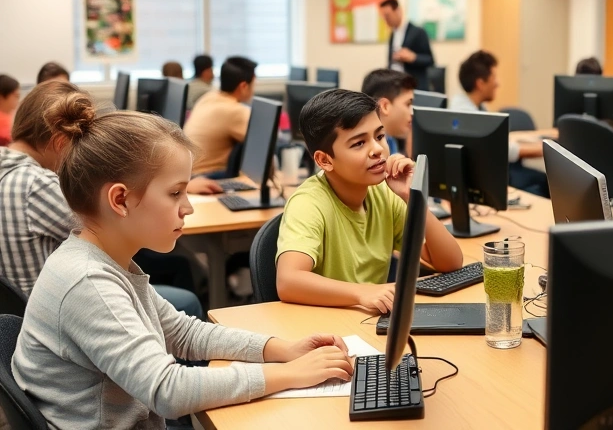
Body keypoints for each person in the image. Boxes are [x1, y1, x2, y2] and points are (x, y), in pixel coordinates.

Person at [12, 93, 356, 428]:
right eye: (175, 193)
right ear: (120, 200)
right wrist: (290, 374)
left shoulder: (107, 262)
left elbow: (182, 332)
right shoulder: (88, 282)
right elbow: (168, 391)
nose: (187, 207)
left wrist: (283, 349)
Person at [0, 81, 217, 314]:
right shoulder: (37, 186)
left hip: (26, 306)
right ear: (62, 143)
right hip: (65, 307)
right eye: (77, 145)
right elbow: (109, 225)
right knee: (185, 294)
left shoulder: (8, 167)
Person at [275, 90, 463, 311]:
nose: (377, 149)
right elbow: (288, 281)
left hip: (369, 320)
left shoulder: (384, 193)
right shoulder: (308, 204)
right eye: (358, 143)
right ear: (324, 160)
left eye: (379, 136)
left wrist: (414, 198)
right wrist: (362, 292)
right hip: (325, 323)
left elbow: (450, 262)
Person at [449, 51, 548, 197]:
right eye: (494, 77)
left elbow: (499, 140)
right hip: (489, 180)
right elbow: (504, 149)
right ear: (480, 84)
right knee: (545, 181)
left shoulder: (471, 104)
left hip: (490, 173)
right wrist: (548, 149)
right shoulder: (468, 116)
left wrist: (541, 138)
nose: (498, 83)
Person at [183, 56, 256, 176]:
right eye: (253, 85)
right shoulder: (236, 111)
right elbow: (262, 145)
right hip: (206, 176)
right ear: (243, 86)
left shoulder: (208, 97)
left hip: (187, 173)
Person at [380, 0, 434, 90]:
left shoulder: (418, 32)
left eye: (387, 15)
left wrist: (413, 57)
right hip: (395, 85)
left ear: (398, 11)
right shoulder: (393, 33)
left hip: (413, 86)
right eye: (384, 17)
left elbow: (430, 60)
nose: (386, 19)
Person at [361, 69, 415, 156]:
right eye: (408, 104)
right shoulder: (368, 152)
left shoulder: (390, 140)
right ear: (385, 106)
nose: (412, 113)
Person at [0, 74, 19, 146]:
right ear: (1, 96)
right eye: (16, 96)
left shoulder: (10, 116)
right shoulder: (3, 120)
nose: (18, 100)